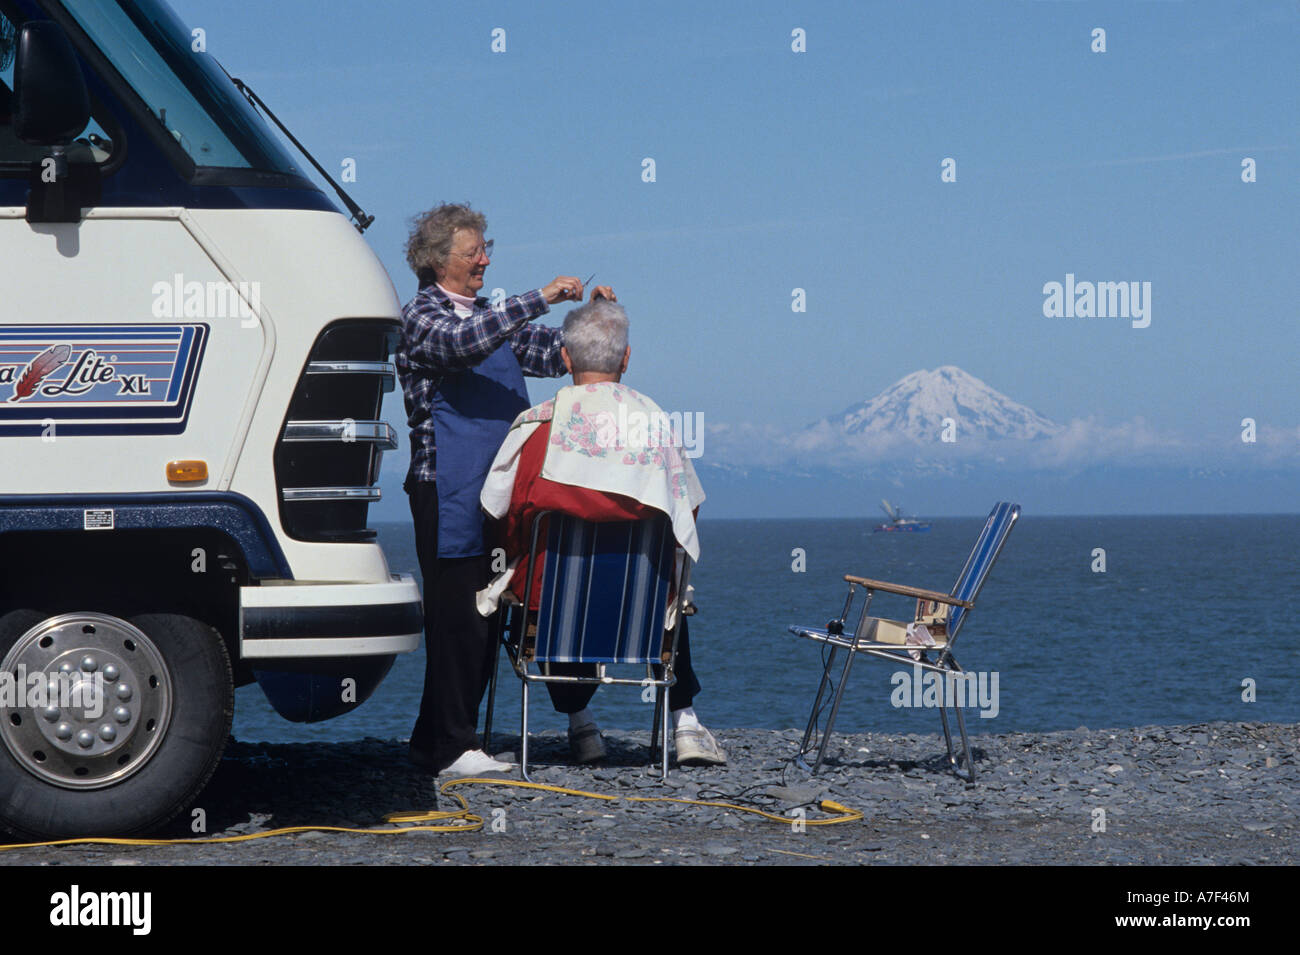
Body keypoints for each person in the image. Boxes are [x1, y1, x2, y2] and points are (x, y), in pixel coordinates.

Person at [396, 202, 610, 778]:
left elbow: (548, 353)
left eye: (486, 249)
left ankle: (438, 742)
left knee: (485, 616)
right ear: (438, 261)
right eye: (474, 252)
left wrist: (591, 323)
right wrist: (538, 297)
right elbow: (465, 344)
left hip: (496, 490)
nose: (485, 260)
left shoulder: (492, 316)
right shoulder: (422, 317)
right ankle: (452, 747)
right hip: (448, 490)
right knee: (457, 617)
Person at [477, 297, 727, 766]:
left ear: (566, 358)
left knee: (545, 574)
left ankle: (581, 723)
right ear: (626, 358)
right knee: (663, 579)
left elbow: (502, 517)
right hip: (641, 612)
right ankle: (686, 722)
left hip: (555, 610)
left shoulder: (535, 430)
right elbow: (685, 517)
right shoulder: (657, 427)